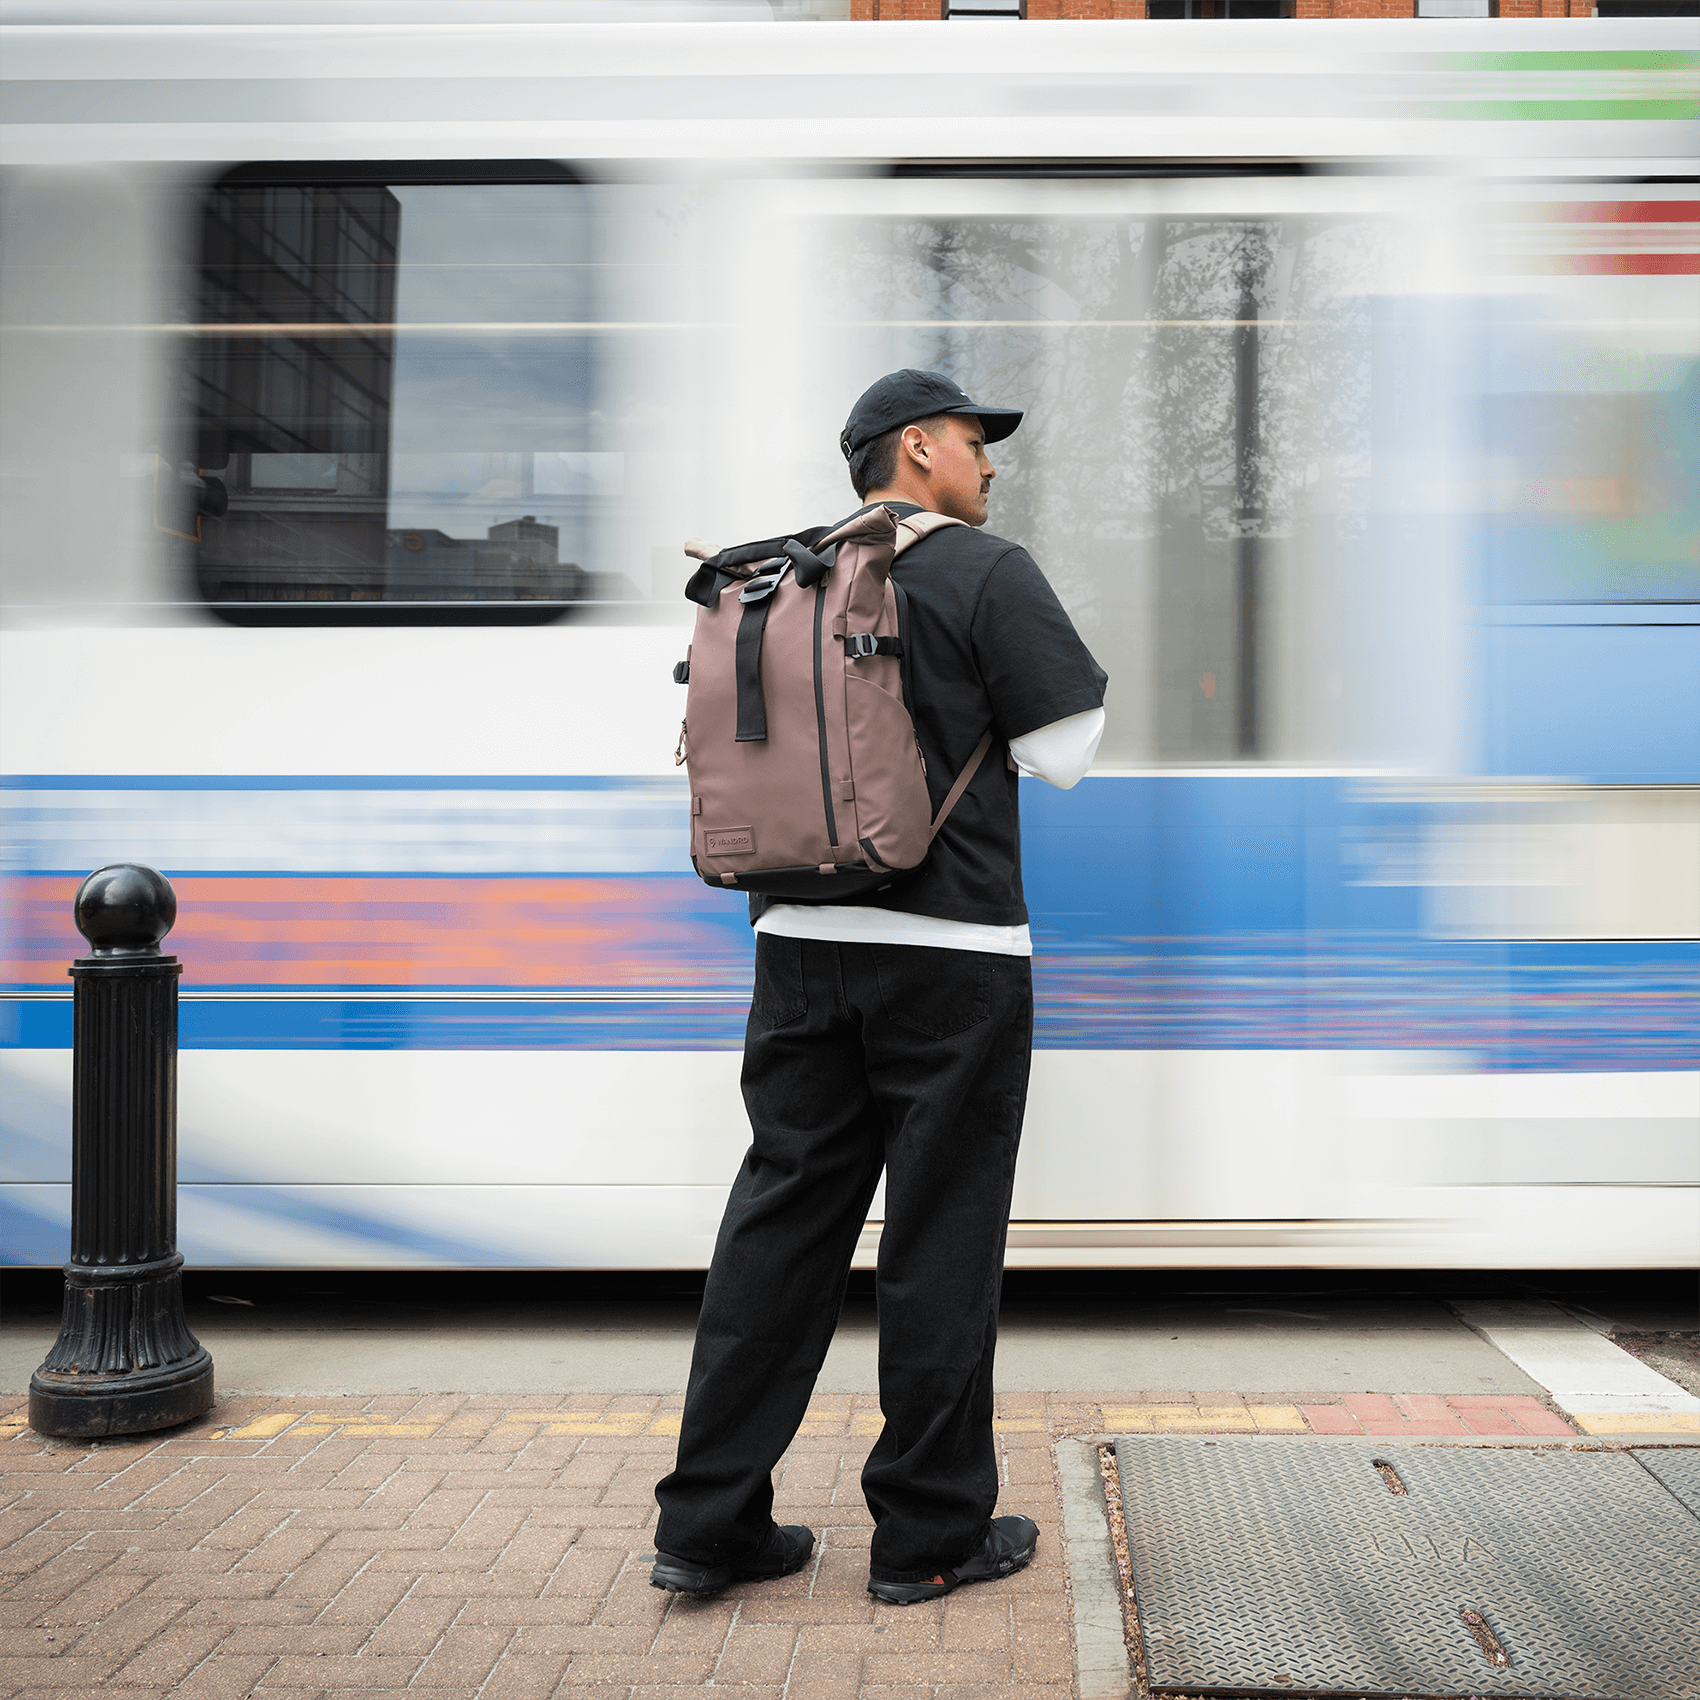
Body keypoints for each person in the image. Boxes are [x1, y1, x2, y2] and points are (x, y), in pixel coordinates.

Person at [651, 369, 1108, 1606]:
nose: (990, 463)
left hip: (793, 943)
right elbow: (1065, 752)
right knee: (938, 1240)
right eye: (973, 439)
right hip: (950, 958)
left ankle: (706, 1523)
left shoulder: (782, 574)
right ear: (916, 447)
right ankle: (927, 1535)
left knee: (779, 1224)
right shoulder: (980, 569)